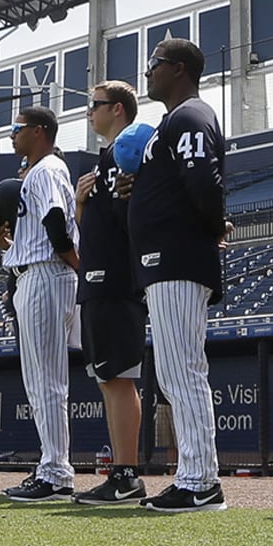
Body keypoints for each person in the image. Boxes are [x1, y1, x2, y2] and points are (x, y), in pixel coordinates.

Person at [122, 36, 229, 513]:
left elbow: (203, 180)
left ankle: (201, 481)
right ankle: (193, 475)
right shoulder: (170, 122)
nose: (147, 72)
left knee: (182, 370)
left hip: (179, 258)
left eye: (154, 64)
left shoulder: (190, 115)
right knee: (174, 371)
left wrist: (208, 228)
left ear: (179, 69)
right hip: (165, 261)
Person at [73, 80, 151, 507]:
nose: (90, 112)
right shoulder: (103, 161)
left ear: (118, 109)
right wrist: (83, 205)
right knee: (108, 379)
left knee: (119, 377)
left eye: (96, 105)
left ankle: (127, 473)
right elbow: (95, 229)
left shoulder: (134, 148)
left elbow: (132, 219)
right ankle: (120, 471)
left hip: (118, 279)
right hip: (97, 278)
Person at [0, 106, 82, 503]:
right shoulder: (40, 170)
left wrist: (73, 261)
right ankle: (53, 467)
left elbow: (55, 218)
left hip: (47, 274)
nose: (13, 134)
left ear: (39, 131)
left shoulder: (46, 168)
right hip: (38, 272)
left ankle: (55, 472)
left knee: (46, 379)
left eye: (18, 128)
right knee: (43, 379)